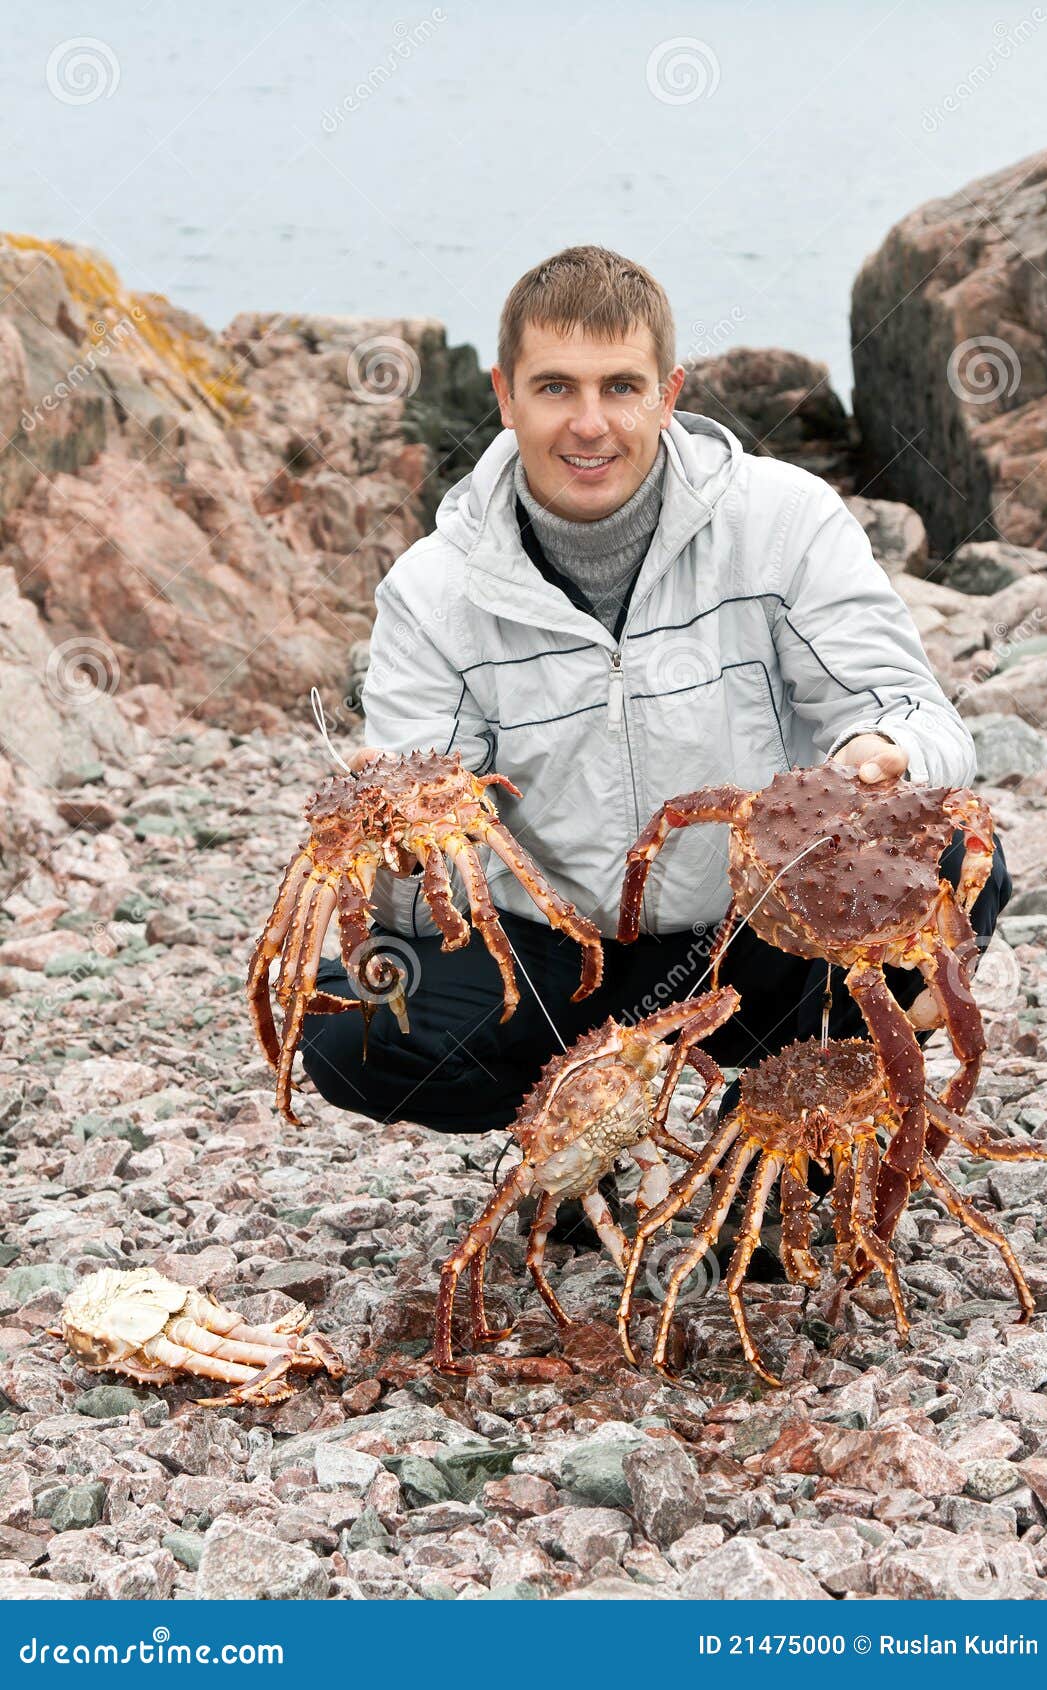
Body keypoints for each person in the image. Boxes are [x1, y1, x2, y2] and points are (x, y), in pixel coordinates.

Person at [300, 245, 1010, 1141]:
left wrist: (883, 752)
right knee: (357, 1028)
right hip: (550, 961)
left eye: (620, 387)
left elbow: (911, 709)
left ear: (668, 394)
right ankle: (568, 1134)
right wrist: (398, 845)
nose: (589, 423)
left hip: (759, 935)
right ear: (505, 396)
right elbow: (430, 853)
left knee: (950, 861)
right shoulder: (432, 589)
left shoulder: (782, 521)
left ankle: (798, 1127)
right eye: (554, 387)